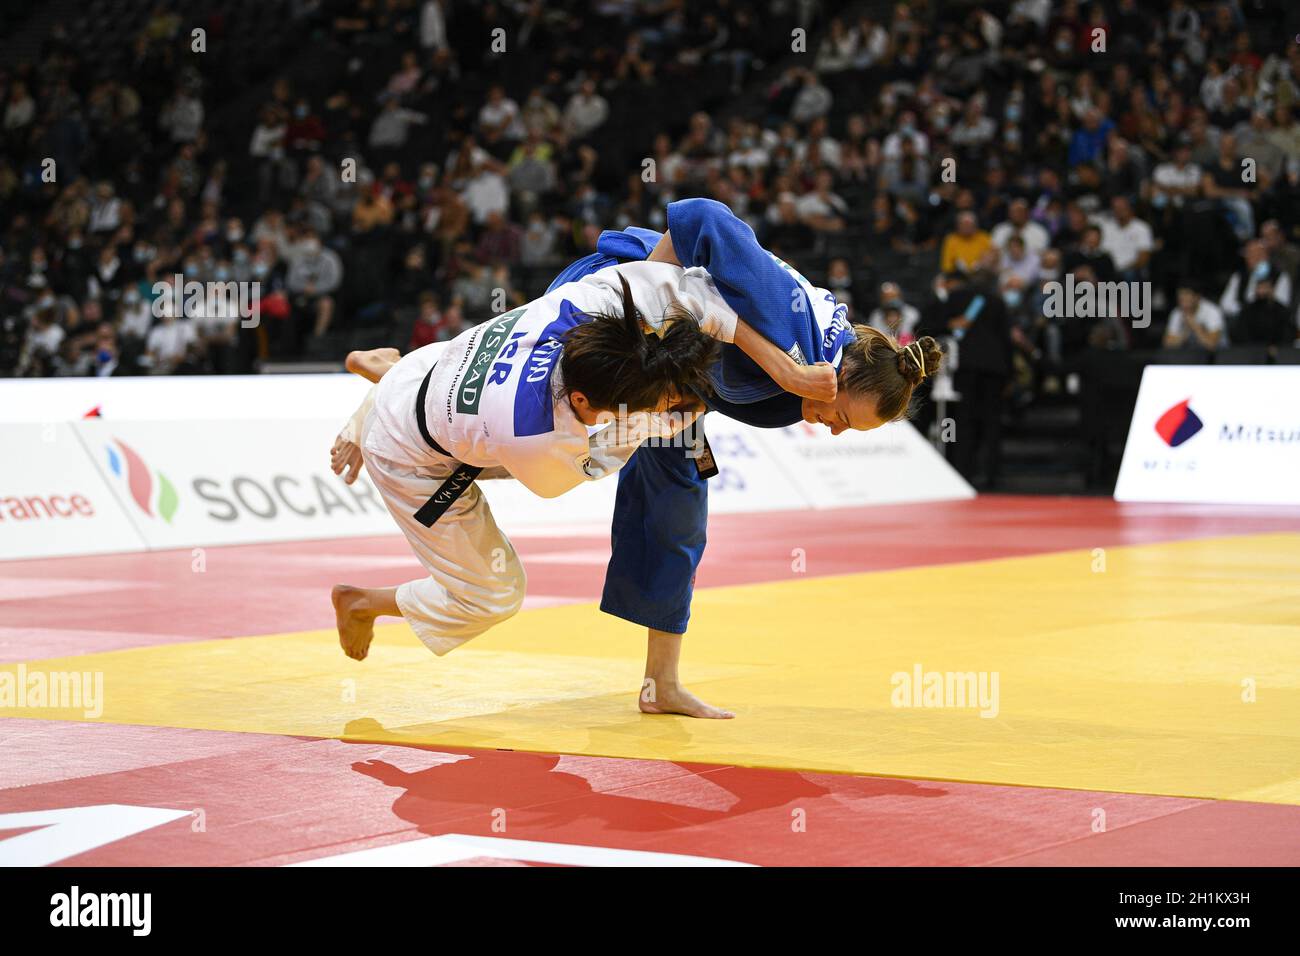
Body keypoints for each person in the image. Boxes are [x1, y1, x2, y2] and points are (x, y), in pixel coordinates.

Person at [328, 254, 832, 715]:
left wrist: (781, 369)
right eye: (617, 409)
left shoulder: (587, 312)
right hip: (413, 459)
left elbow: (689, 289)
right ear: (586, 404)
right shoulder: (541, 421)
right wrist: (658, 424)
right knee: (496, 595)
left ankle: (386, 376)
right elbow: (577, 472)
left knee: (460, 411)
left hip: (437, 371)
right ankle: (362, 601)